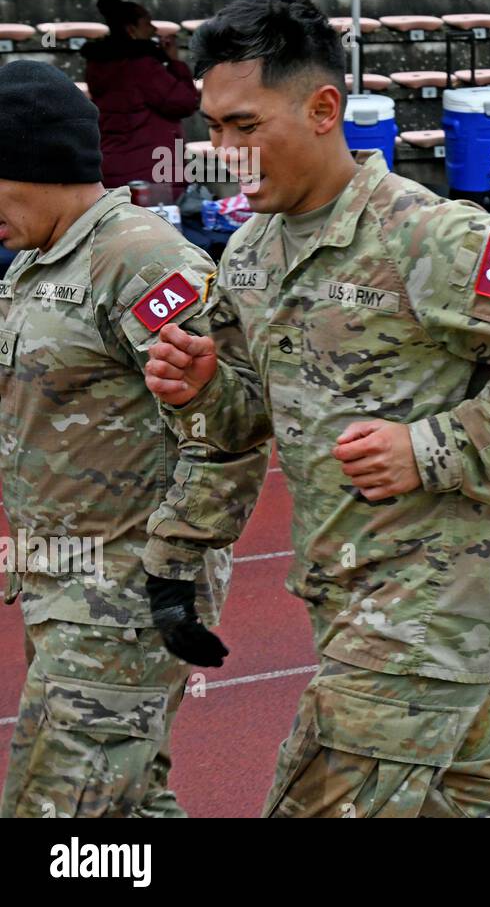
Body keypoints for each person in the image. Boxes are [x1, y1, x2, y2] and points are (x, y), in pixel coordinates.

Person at [141, 0, 490, 818]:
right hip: (339, 591)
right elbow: (248, 417)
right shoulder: (254, 248)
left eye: (245, 127)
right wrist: (205, 386)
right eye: (213, 128)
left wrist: (432, 448)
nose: (223, 153)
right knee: (468, 800)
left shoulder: (430, 237)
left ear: (324, 108)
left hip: (424, 610)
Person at [0, 61, 267, 818]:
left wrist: (175, 572)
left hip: (123, 597)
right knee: (129, 807)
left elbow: (230, 427)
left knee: (57, 819)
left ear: (32, 166)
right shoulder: (36, 262)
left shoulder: (141, 260)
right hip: (62, 590)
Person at [83, 0, 200, 201]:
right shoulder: (142, 67)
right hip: (151, 171)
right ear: (132, 30)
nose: (154, 29)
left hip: (113, 167)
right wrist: (175, 63)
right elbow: (184, 102)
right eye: (148, 23)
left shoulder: (97, 65)